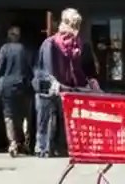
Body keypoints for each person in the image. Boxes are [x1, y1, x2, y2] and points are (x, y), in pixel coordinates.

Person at [33, 8, 97, 157]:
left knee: (64, 119)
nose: (75, 28)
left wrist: (89, 83)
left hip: (68, 88)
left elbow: (83, 69)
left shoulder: (79, 45)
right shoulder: (51, 44)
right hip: (47, 87)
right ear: (64, 23)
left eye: (77, 24)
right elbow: (47, 68)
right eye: (73, 23)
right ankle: (43, 148)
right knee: (46, 119)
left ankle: (60, 148)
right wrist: (54, 82)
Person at [0, 25, 35, 156]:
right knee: (22, 115)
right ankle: (24, 142)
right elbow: (29, 69)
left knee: (9, 115)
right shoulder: (24, 49)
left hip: (7, 85)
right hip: (21, 85)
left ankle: (13, 143)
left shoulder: (4, 49)